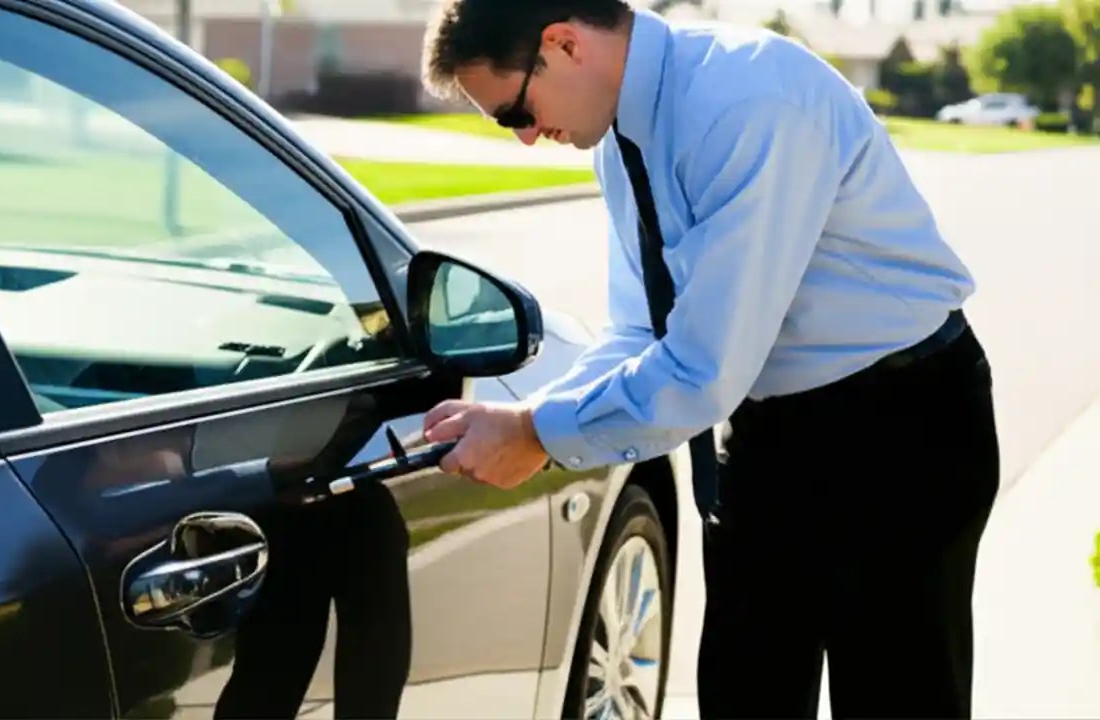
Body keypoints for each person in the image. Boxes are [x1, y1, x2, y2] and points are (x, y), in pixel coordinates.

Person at [415, 1, 1001, 718]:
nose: (529, 138)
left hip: (902, 431)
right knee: (743, 689)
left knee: (897, 697)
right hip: (767, 429)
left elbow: (701, 368)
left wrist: (538, 434)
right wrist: (523, 417)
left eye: (514, 112)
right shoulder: (616, 140)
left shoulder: (749, 101)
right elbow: (641, 334)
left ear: (563, 44)